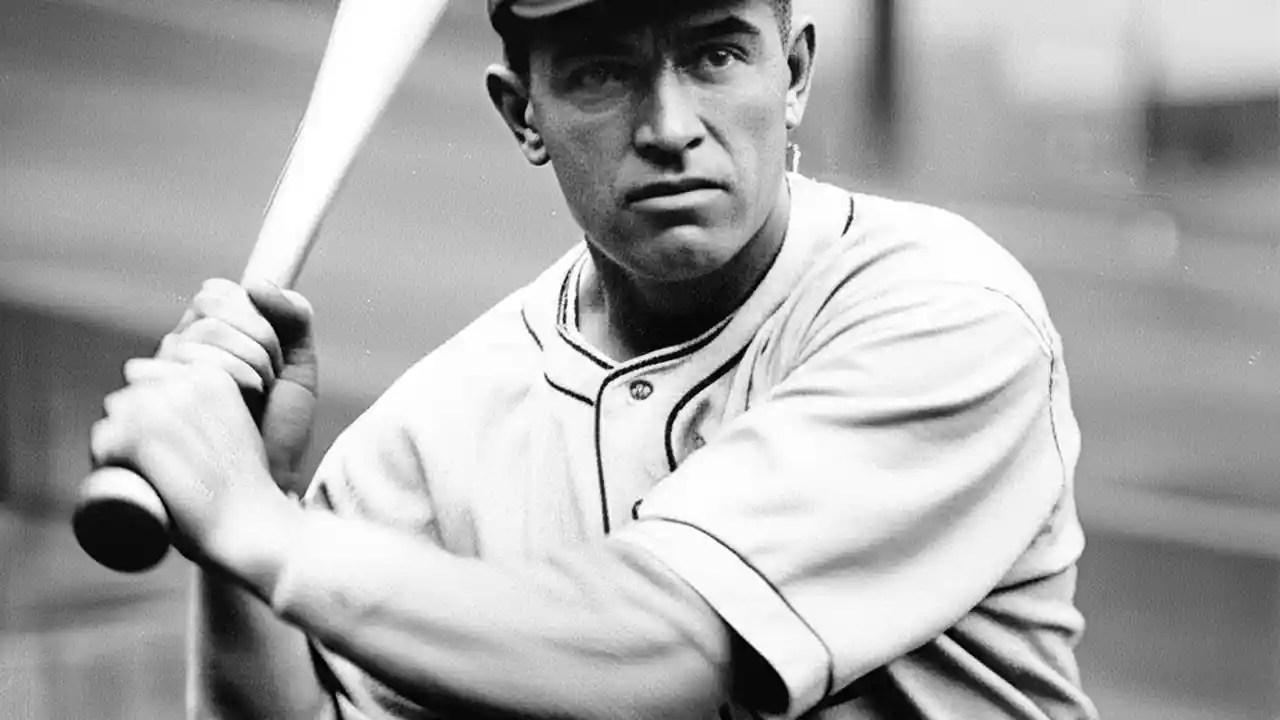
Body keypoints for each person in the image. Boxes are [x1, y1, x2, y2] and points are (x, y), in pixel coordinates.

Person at [90, 0, 1099, 717]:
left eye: (713, 54)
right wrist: (236, 527)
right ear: (520, 110)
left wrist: (266, 533)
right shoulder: (428, 438)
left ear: (790, 73)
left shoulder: (936, 313)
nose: (668, 127)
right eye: (603, 71)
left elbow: (664, 644)